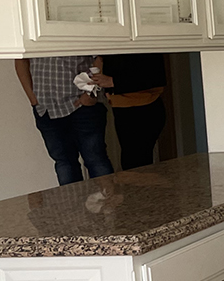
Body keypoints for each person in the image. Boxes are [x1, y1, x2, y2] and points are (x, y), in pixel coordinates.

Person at [14, 55, 113, 186]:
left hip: (83, 104)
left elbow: (99, 59)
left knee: (96, 159)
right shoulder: (31, 35)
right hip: (47, 108)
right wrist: (33, 98)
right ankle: (72, 206)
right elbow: (21, 60)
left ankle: (109, 205)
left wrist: (90, 93)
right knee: (64, 163)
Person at [98, 53, 167, 170]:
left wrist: (113, 82)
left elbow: (156, 77)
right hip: (124, 107)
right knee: (133, 164)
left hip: (143, 107)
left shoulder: (142, 44)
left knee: (136, 166)